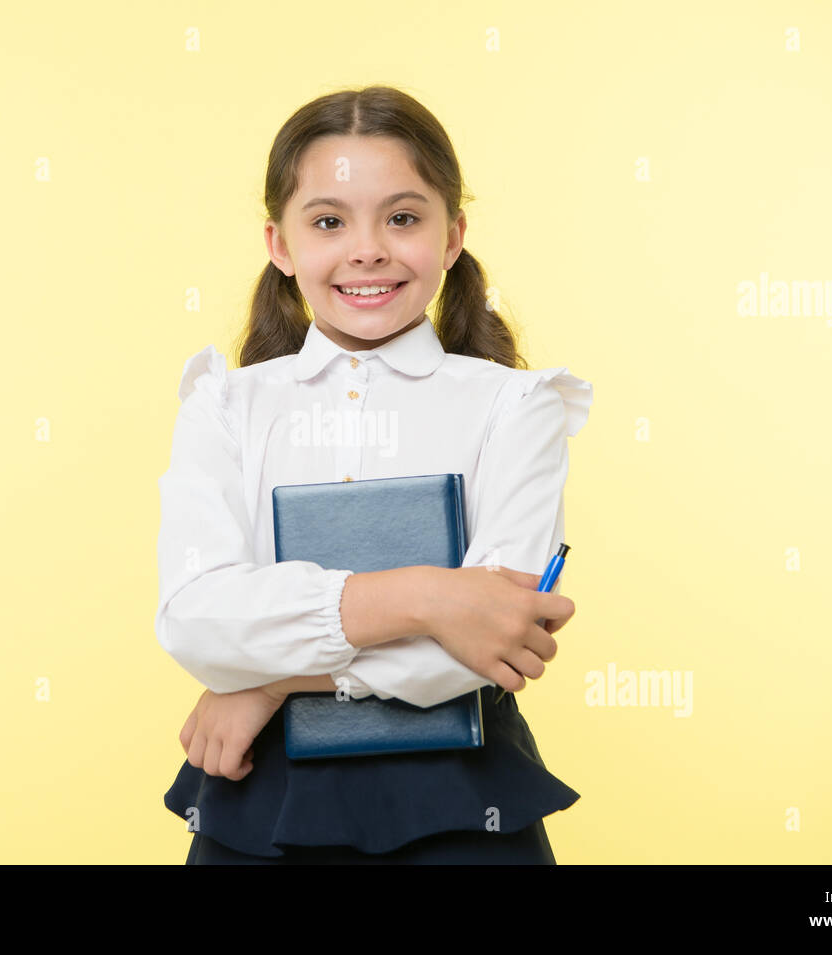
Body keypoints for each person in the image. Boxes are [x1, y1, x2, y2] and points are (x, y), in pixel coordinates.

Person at [156, 85, 594, 864]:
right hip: (262, 798)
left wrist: (266, 683)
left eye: (402, 217)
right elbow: (196, 617)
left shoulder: (516, 405)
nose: (367, 249)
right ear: (280, 244)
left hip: (464, 799)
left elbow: (498, 634)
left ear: (453, 236)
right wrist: (429, 595)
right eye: (329, 220)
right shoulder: (225, 405)